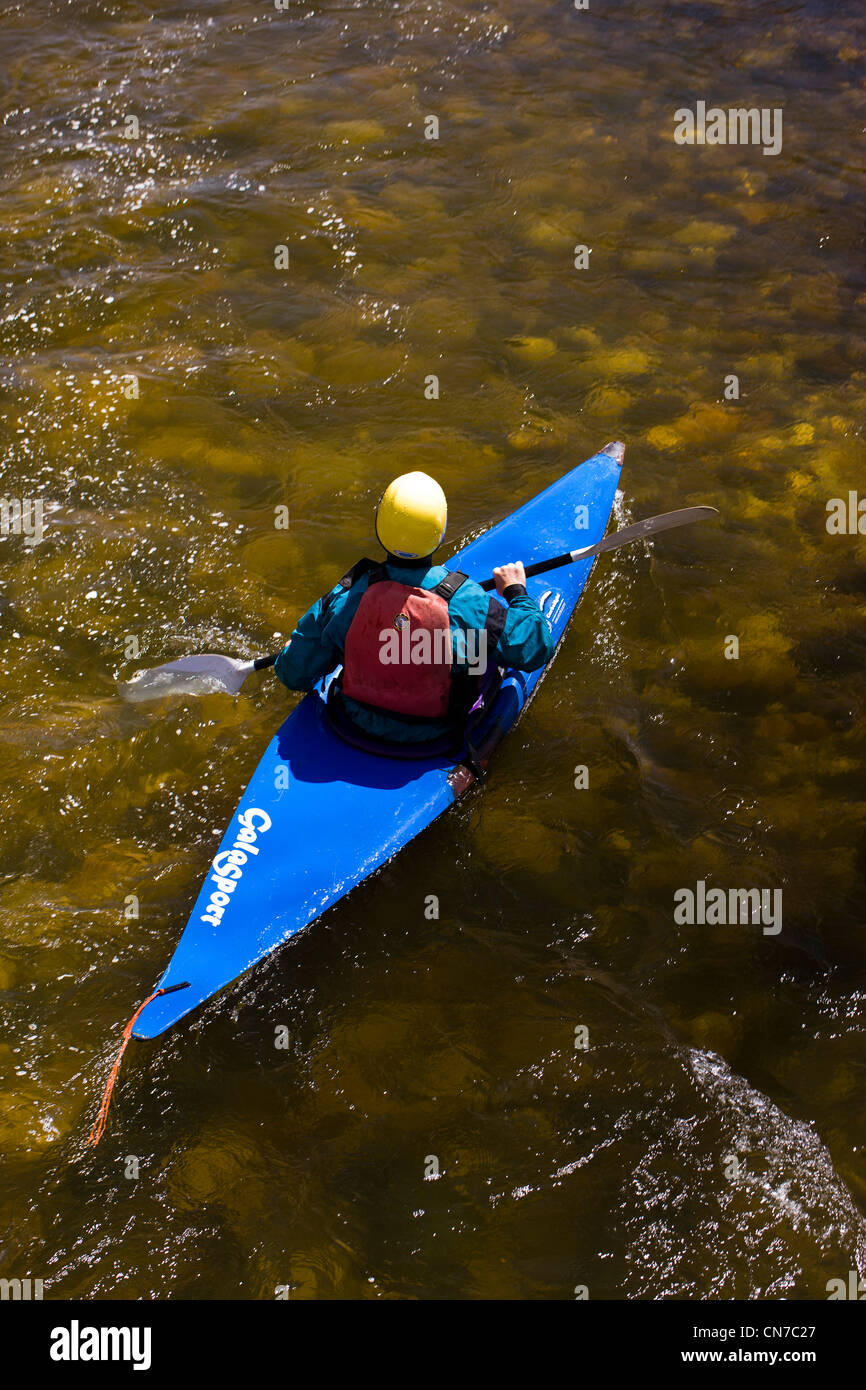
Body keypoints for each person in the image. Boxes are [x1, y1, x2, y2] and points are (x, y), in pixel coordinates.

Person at [275, 471, 554, 747]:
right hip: (435, 732)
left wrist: (293, 652)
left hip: (354, 720)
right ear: (441, 534)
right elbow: (536, 647)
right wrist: (516, 592)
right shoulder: (466, 600)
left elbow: (294, 674)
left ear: (379, 529)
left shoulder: (346, 596)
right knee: (480, 646)